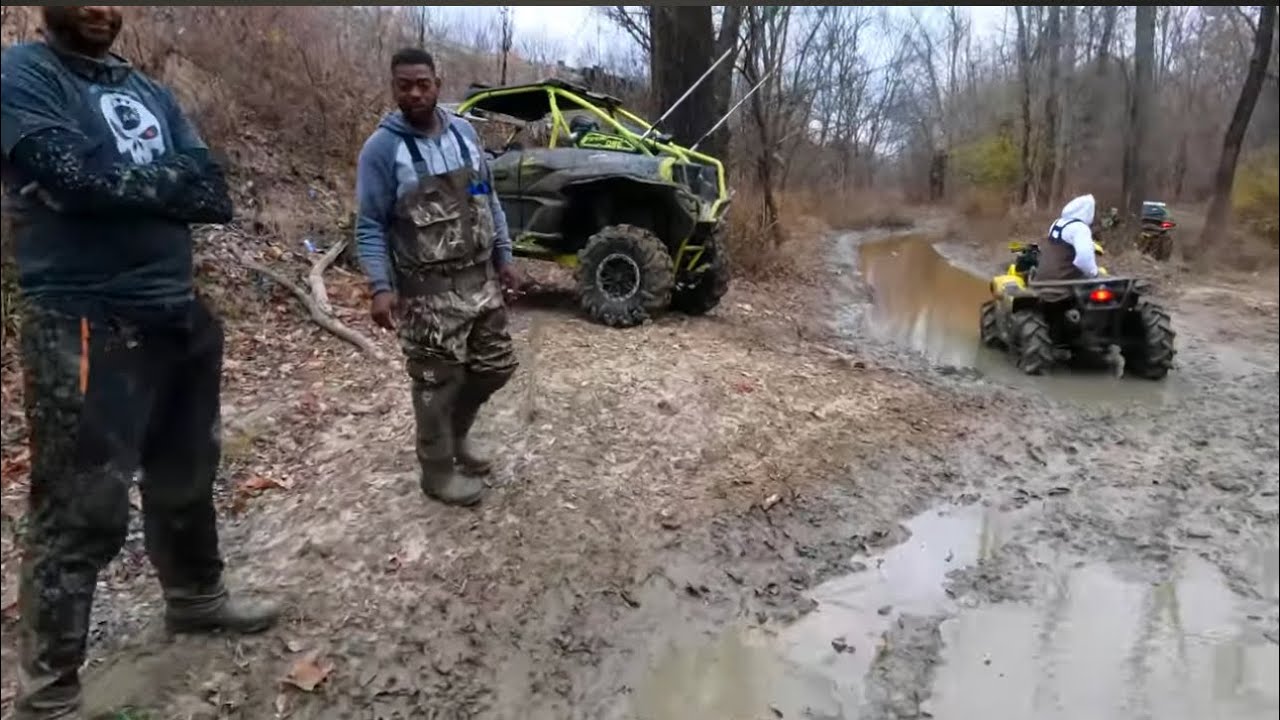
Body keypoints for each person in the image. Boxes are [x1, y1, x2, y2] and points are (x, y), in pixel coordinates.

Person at [1, 6, 279, 718]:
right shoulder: (25, 75)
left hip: (175, 310)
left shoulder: (146, 90)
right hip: (84, 317)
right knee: (81, 505)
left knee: (187, 471)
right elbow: (70, 180)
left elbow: (212, 189)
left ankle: (195, 598)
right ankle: (50, 691)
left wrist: (120, 182)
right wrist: (162, 184)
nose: (100, 7)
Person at [354, 47, 522, 508]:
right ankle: (437, 472)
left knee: (495, 368)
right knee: (434, 384)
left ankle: (456, 437)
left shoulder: (466, 135)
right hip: (426, 294)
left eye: (422, 84)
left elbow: (488, 200)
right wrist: (381, 287)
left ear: (437, 84)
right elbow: (369, 223)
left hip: (479, 282)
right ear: (393, 88)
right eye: (403, 85)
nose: (413, 93)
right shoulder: (381, 150)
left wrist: (504, 256)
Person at [1039, 193, 1101, 281]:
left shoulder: (1057, 223)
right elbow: (1084, 260)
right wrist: (1094, 273)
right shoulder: (1080, 228)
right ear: (1088, 211)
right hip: (1064, 278)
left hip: (1043, 277)